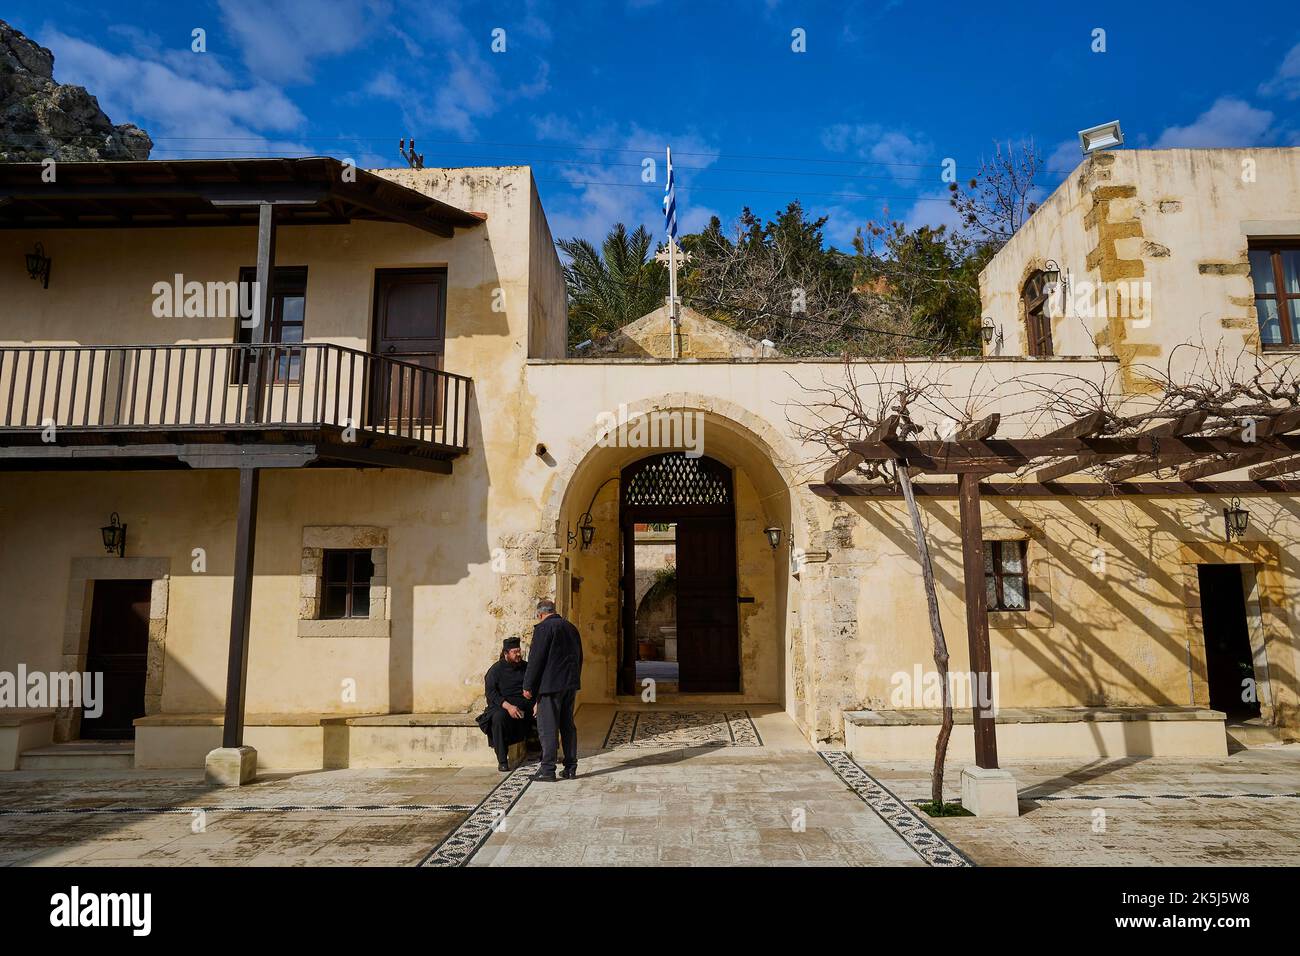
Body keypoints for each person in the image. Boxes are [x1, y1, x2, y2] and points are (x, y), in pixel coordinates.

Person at [522, 598, 583, 782]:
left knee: (547, 726)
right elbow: (579, 656)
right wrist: (574, 679)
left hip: (550, 686)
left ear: (540, 614)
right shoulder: (571, 628)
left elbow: (536, 660)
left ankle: (548, 769)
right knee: (567, 725)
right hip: (569, 684)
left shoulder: (543, 629)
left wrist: (528, 686)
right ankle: (571, 767)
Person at [476, 637, 532, 772]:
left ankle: (546, 753)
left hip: (525, 705)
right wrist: (509, 707)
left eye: (519, 651)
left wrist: (536, 702)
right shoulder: (495, 670)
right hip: (504, 706)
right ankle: (502, 760)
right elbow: (491, 693)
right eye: (514, 652)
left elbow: (535, 685)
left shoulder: (526, 667)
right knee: (498, 718)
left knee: (546, 711)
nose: (518, 654)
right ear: (506, 653)